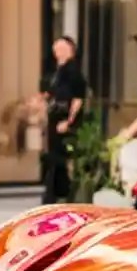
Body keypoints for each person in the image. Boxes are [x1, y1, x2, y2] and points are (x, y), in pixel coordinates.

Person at [42, 36, 87, 204]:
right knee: (54, 157)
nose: (57, 52)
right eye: (56, 49)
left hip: (64, 121)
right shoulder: (57, 72)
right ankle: (58, 192)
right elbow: (51, 92)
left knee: (60, 158)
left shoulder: (73, 72)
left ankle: (55, 194)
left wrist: (69, 120)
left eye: (61, 49)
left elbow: (78, 99)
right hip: (54, 119)